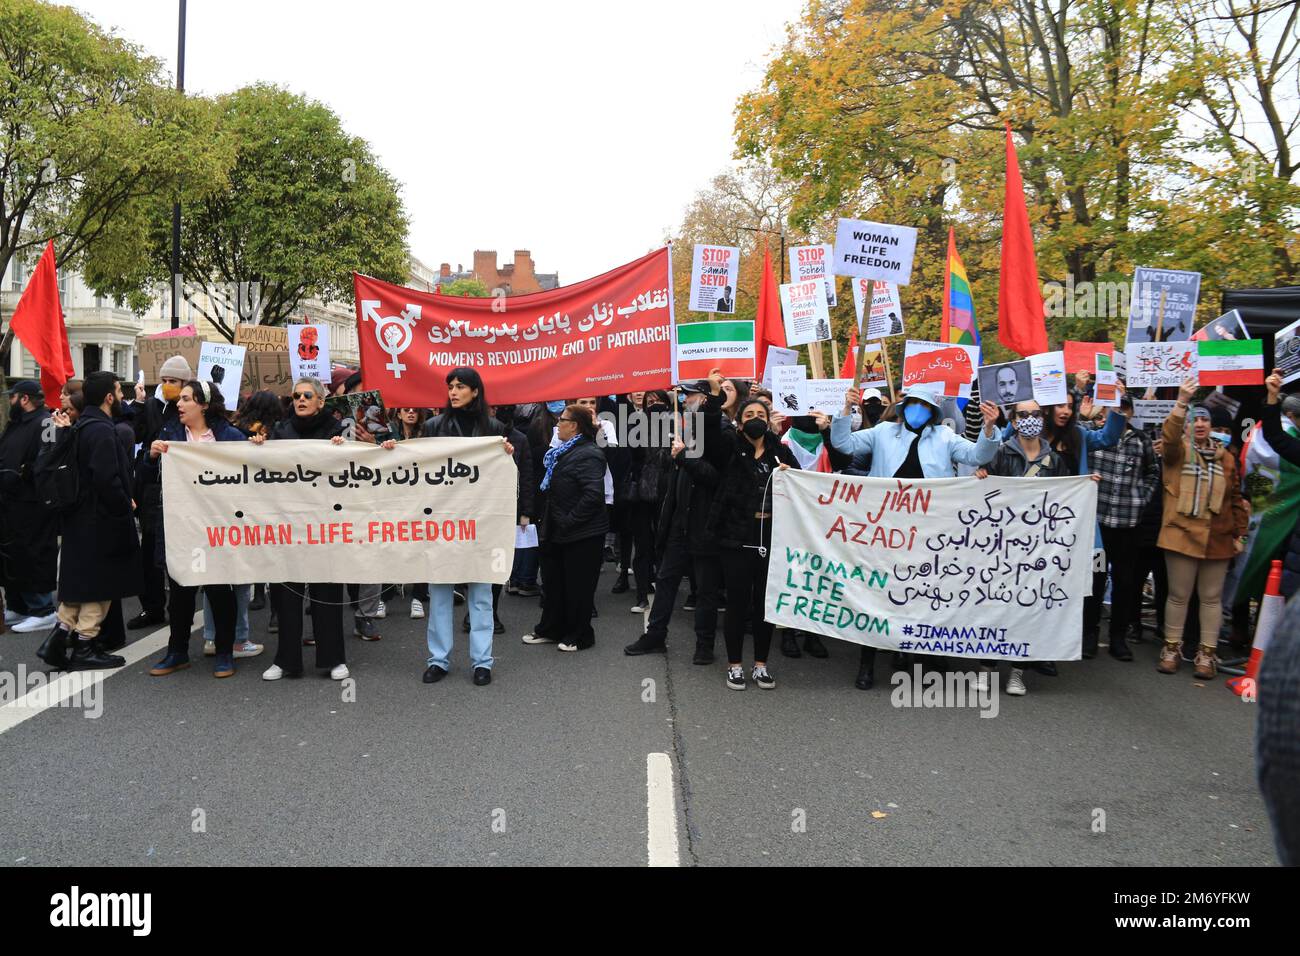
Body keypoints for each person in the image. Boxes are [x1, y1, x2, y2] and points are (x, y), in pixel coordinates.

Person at [831, 383, 1001, 690]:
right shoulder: (882, 432)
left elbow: (976, 455)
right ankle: (867, 664)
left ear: (933, 413)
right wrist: (846, 410)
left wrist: (989, 429)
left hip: (929, 530)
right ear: (903, 406)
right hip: (885, 529)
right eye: (913, 404)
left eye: (924, 406)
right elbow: (843, 444)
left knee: (923, 594)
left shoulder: (945, 437)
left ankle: (915, 659)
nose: (918, 410)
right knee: (877, 592)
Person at [143, 381, 248, 678]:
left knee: (219, 589)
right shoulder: (170, 434)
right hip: (181, 527)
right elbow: (145, 477)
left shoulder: (229, 436)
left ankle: (225, 652)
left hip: (216, 527)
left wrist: (255, 447)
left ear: (203, 404)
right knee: (180, 590)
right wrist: (151, 458)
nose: (179, 404)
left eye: (186, 399)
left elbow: (250, 473)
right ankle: (177, 652)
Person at [978, 399, 1081, 696]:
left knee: (1027, 608)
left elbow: (1067, 500)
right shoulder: (1000, 453)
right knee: (993, 605)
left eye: (1036, 414)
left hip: (1038, 549)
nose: (1030, 419)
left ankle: (1017, 672)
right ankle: (986, 669)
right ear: (1013, 419)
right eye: (1023, 414)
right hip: (1001, 546)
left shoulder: (1056, 462)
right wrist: (981, 476)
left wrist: (1086, 485)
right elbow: (984, 494)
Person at [37, 372, 139, 671]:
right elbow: (107, 479)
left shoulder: (82, 425)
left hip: (80, 518)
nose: (121, 397)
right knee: (102, 585)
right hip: (101, 519)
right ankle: (85, 645)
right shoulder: (102, 430)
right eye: (119, 392)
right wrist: (124, 505)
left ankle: (57, 639)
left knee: (81, 583)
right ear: (109, 397)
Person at [253, 377, 351, 682]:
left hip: (324, 525)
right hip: (289, 525)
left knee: (327, 592)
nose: (301, 399)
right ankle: (286, 660)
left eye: (308, 395)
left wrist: (343, 450)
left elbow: (351, 471)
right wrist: (258, 448)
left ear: (321, 401)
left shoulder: (335, 432)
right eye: (296, 395)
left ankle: (333, 659)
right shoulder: (280, 432)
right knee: (286, 597)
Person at [624, 381, 726, 662]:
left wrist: (684, 457)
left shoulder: (720, 432)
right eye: (682, 394)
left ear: (705, 399)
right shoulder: (684, 428)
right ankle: (655, 635)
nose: (684, 399)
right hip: (679, 521)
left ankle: (704, 645)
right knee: (666, 580)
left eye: (690, 394)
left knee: (705, 589)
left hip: (705, 523)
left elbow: (715, 477)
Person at [1154, 377, 1249, 679]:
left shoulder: (1228, 458)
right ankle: (1171, 649)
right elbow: (1168, 437)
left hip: (1218, 538)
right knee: (1178, 595)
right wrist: (1182, 402)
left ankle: (1206, 654)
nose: (1199, 424)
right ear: (1187, 425)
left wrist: (1240, 533)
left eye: (1204, 420)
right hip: (1181, 533)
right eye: (1194, 420)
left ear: (1211, 427)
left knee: (1212, 598)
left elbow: (1236, 498)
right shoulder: (1176, 453)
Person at [420, 368, 510, 684]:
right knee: (441, 593)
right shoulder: (432, 427)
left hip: (480, 523)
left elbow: (504, 474)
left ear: (475, 391)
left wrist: (508, 456)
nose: (453, 391)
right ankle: (438, 660)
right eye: (450, 386)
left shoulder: (495, 428)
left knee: (481, 595)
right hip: (442, 523)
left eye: (460, 386)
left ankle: (482, 662)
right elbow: (416, 470)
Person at [707, 389, 800, 690]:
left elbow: (803, 485)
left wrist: (790, 475)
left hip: (771, 535)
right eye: (750, 416)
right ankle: (735, 665)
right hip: (736, 536)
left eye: (761, 415)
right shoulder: (729, 448)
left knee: (764, 603)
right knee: (737, 601)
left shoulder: (781, 451)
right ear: (739, 422)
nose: (756, 420)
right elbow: (707, 433)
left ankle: (761, 664)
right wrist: (713, 397)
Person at [523, 404, 608, 651]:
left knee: (578, 587)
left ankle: (579, 635)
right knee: (554, 583)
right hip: (558, 530)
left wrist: (569, 521)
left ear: (575, 425)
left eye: (562, 420)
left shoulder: (590, 453)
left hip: (582, 533)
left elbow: (593, 496)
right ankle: (551, 629)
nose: (557, 424)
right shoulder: (563, 451)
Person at [1089, 391, 1159, 661]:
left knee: (1125, 582)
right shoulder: (1094, 436)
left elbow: (1153, 472)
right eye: (1115, 406)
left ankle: (1118, 637)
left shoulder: (1141, 441)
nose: (1120, 411)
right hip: (1097, 522)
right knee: (1094, 581)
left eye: (1125, 407)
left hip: (1128, 524)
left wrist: (1142, 500)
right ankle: (1090, 634)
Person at [127, 354, 193, 631]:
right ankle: (152, 607)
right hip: (153, 489)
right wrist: (140, 405)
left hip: (184, 490)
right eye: (164, 380)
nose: (167, 385)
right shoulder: (152, 406)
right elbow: (136, 434)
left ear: (185, 383)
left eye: (173, 381)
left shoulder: (190, 408)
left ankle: (181, 607)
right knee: (150, 551)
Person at [0, 380, 59, 634]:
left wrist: (22, 476)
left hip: (33, 502)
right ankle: (19, 604)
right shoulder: (16, 424)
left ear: (24, 399)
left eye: (12, 397)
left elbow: (49, 459)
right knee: (11, 554)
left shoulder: (46, 423)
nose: (9, 402)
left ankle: (43, 609)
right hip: (10, 501)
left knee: (33, 552)